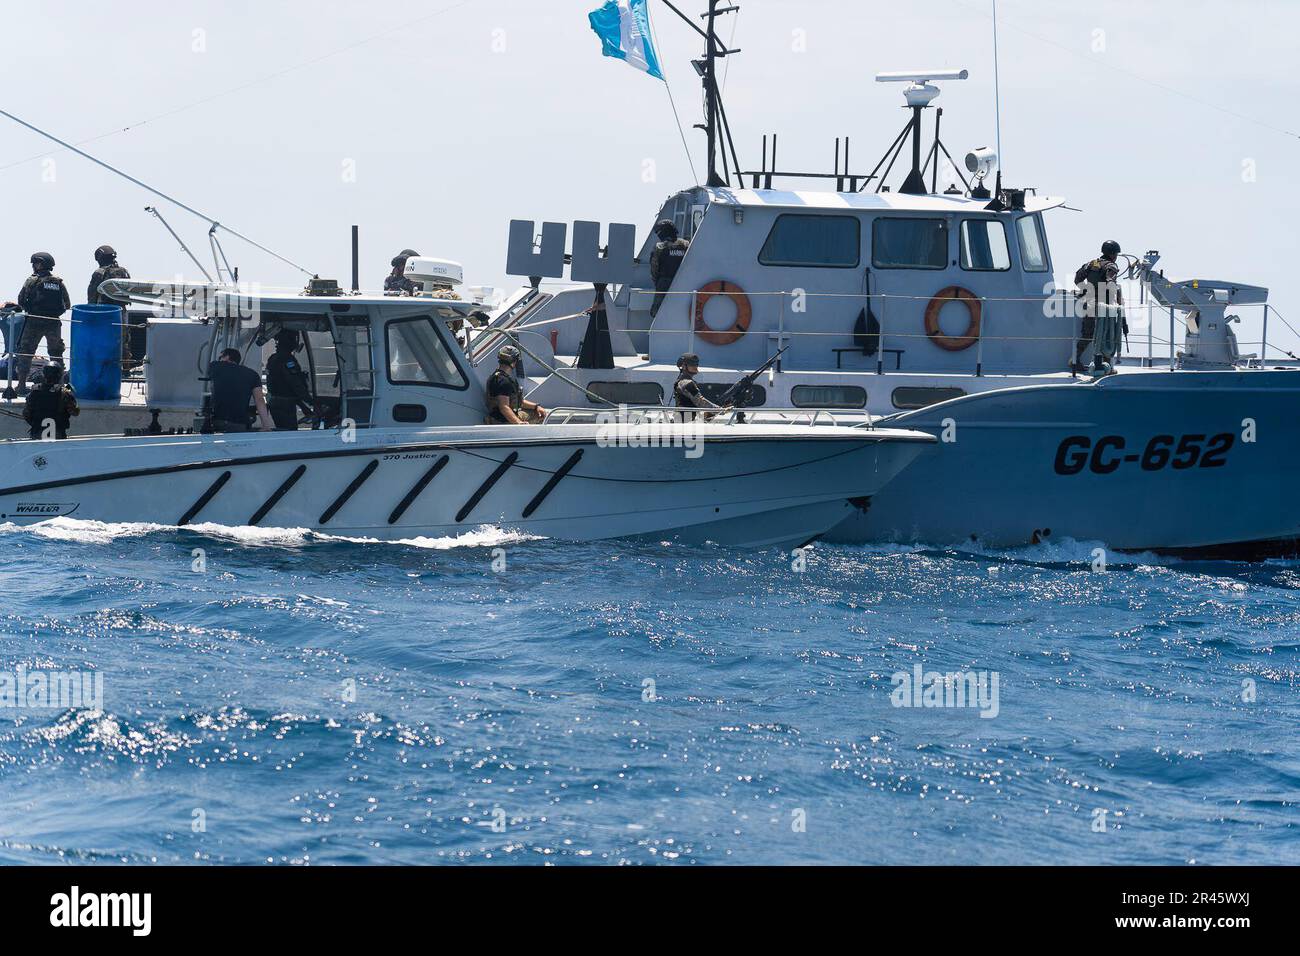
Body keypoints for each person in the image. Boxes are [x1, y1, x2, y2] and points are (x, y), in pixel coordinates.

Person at [3, 252, 70, 394]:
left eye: (34, 263)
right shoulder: (58, 282)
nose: (33, 266)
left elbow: (21, 300)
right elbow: (67, 304)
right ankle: (60, 387)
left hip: (34, 321)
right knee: (56, 353)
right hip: (53, 322)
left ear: (39, 264)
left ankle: (21, 386)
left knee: (26, 353)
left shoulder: (32, 280)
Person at [1072, 240, 1123, 373]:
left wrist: (1086, 290)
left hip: (1089, 303)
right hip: (1104, 306)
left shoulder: (1091, 264)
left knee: (1088, 334)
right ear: (1112, 254)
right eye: (1116, 254)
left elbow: (1077, 279)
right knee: (1107, 333)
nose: (1116, 256)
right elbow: (1110, 282)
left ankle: (1075, 360)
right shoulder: (1111, 266)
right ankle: (1107, 366)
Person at [87, 245, 135, 370]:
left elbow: (92, 294)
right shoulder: (123, 271)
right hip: (121, 311)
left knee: (102, 340)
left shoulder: (99, 272)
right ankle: (126, 370)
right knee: (123, 341)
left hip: (104, 312)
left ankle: (102, 369)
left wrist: (90, 312)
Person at [207, 347, 273, 432]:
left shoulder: (216, 366)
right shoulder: (252, 374)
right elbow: (259, 400)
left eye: (220, 357)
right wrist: (266, 425)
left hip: (218, 420)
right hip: (240, 423)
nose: (219, 360)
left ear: (227, 357)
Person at [486, 344, 546, 424]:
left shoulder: (496, 377)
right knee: (538, 415)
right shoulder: (504, 381)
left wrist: (536, 406)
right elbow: (504, 407)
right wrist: (519, 423)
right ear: (514, 362)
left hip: (498, 417)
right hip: (503, 421)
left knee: (536, 411)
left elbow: (519, 402)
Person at [265, 330, 312, 430]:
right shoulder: (288, 360)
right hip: (285, 403)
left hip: (274, 400)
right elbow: (295, 383)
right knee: (289, 431)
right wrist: (309, 399)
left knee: (282, 429)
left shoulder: (273, 358)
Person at [22, 364, 79, 439]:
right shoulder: (64, 392)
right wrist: (71, 395)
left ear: (44, 375)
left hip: (37, 433)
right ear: (59, 376)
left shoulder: (35, 390)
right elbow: (75, 412)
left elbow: (26, 414)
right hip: (57, 434)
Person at [648, 219, 689, 318]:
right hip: (684, 283)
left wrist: (657, 282)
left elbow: (654, 268)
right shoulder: (686, 244)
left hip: (664, 283)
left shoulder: (659, 247)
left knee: (657, 312)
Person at [673, 352, 723, 420]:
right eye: (692, 364)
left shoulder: (682, 381)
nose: (695, 367)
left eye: (696, 364)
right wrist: (719, 410)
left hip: (683, 419)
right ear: (684, 366)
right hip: (686, 421)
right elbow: (700, 401)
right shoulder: (687, 383)